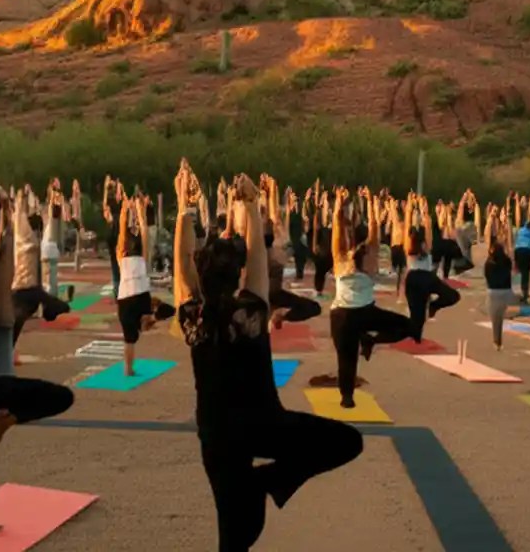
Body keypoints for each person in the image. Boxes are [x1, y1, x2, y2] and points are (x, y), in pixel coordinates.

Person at [173, 163, 361, 552]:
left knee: (234, 537)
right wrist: (254, 207)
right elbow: (257, 258)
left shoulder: (194, 316)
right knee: (347, 442)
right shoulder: (250, 312)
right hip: (262, 423)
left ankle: (262, 486)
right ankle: (268, 482)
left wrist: (183, 207)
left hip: (218, 435)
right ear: (237, 273)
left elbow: (181, 268)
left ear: (199, 272)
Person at [0, 189, 75, 539]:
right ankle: (9, 421)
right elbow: (5, 263)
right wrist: (6, 215)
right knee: (62, 397)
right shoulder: (1, 307)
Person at [327, 186, 411, 409]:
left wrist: (339, 204)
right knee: (406, 326)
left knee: (346, 359)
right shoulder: (369, 258)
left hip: (344, 315)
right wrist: (372, 202)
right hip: (363, 314)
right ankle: (370, 341)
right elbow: (374, 228)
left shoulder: (341, 258)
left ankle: (348, 395)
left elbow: (338, 228)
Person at [115, 191, 173, 375]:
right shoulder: (142, 258)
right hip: (140, 296)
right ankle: (149, 320)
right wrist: (139, 211)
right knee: (164, 311)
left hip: (126, 298)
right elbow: (144, 232)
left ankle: (128, 368)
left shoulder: (121, 256)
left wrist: (125, 213)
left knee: (129, 339)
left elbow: (122, 235)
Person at [8, 187, 72, 346]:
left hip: (25, 290)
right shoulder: (29, 242)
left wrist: (21, 199)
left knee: (16, 325)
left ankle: (55, 308)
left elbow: (19, 217)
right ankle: (56, 308)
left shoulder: (22, 240)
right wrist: (21, 198)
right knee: (46, 303)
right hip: (26, 289)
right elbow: (20, 218)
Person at [400, 193, 460, 342]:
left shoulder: (425, 246)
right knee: (417, 317)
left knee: (452, 296)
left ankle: (432, 307)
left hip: (421, 279)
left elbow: (426, 228)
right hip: (418, 279)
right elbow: (412, 226)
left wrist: (422, 210)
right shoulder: (410, 247)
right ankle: (414, 337)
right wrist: (414, 210)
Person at [265, 181, 320, 329]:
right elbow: (275, 216)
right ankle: (279, 315)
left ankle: (278, 315)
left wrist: (272, 192)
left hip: (270, 293)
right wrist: (272, 191)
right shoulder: (278, 242)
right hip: (270, 293)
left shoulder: (279, 242)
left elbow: (277, 216)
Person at [482, 204, 515, 351]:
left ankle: (497, 342)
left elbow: (488, 238)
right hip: (506, 293)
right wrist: (507, 221)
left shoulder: (489, 262)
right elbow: (509, 246)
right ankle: (498, 341)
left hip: (493, 293)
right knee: (501, 317)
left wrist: (490, 220)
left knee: (496, 320)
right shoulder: (507, 260)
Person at [513, 193, 530, 303]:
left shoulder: (522, 227)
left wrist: (518, 201)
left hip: (520, 250)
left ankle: (525, 293)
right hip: (529, 251)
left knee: (524, 273)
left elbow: (520, 215)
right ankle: (526, 292)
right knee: (526, 273)